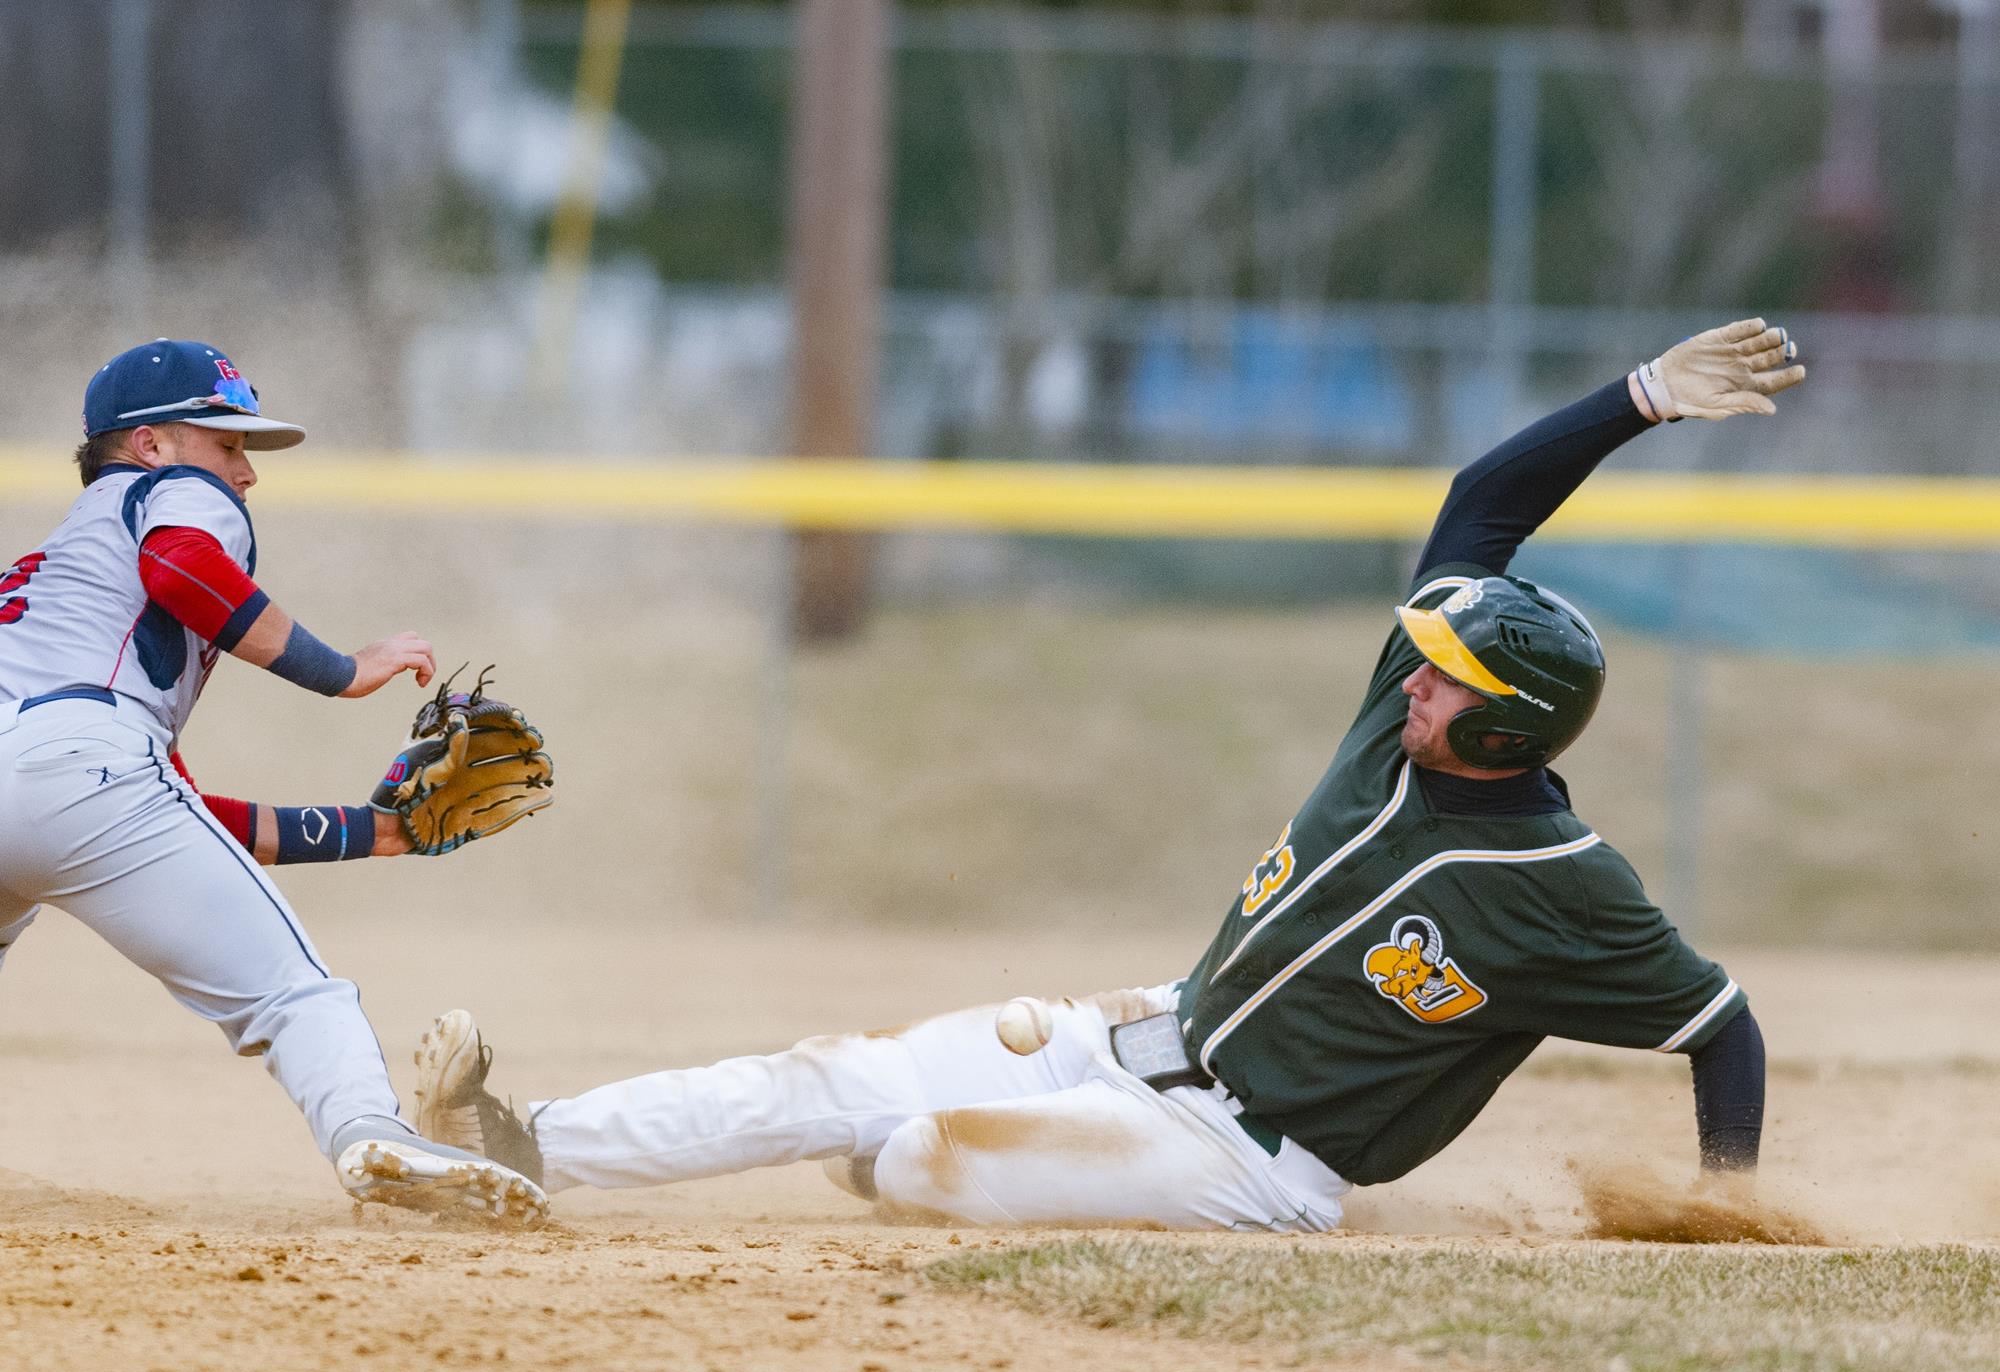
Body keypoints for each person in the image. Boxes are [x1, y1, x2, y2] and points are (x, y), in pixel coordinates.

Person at [414, 319, 1803, 1231]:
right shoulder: (1407, 717)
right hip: (1139, 1031)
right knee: (827, 1077)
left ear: (1508, 731)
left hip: (1250, 1167)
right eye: (1425, 661)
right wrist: (1636, 401)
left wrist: (1724, 1202)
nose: (1415, 673)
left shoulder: (1569, 889)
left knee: (907, 1155)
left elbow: (1721, 1020)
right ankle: (519, 1144)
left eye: (1448, 678)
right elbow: (1482, 506)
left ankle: (932, 1141)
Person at [0, 339, 546, 1225]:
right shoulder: (161, 494)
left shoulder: (48, 585)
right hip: (84, 766)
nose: (244, 474)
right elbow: (180, 566)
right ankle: (372, 1131)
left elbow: (158, 819)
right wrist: (344, 670)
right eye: (228, 444)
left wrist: (374, 831)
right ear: (150, 444)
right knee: (298, 997)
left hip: (64, 775)